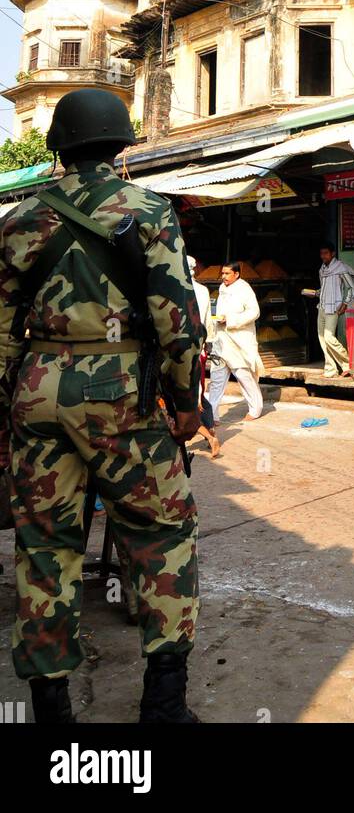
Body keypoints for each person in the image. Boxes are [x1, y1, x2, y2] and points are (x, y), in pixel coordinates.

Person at [0, 89, 202, 724]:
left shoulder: (19, 221)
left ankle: (52, 715)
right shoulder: (151, 211)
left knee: (44, 546)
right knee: (161, 535)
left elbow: (2, 328)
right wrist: (187, 401)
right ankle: (163, 708)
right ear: (121, 142)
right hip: (122, 398)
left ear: (59, 145)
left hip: (36, 394)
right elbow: (177, 320)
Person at [207, 263, 264, 421]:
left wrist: (231, 320)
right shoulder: (222, 288)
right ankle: (211, 416)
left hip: (238, 342)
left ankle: (255, 409)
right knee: (216, 379)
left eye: (227, 273)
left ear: (237, 274)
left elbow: (254, 311)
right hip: (221, 341)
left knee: (243, 376)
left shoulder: (244, 289)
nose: (224, 276)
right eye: (223, 273)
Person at [188, 256, 220, 459]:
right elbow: (209, 322)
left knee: (182, 399)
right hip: (199, 348)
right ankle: (210, 429)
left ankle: (209, 436)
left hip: (180, 352)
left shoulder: (175, 289)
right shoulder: (202, 290)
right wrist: (208, 344)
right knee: (198, 395)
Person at [317, 242, 354, 378]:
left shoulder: (340, 268)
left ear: (332, 254)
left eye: (326, 253)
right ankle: (330, 369)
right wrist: (314, 293)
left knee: (329, 337)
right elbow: (323, 289)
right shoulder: (322, 270)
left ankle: (347, 364)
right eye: (322, 253)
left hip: (333, 307)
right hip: (321, 307)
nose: (323, 256)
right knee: (322, 339)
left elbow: (352, 287)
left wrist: (345, 303)